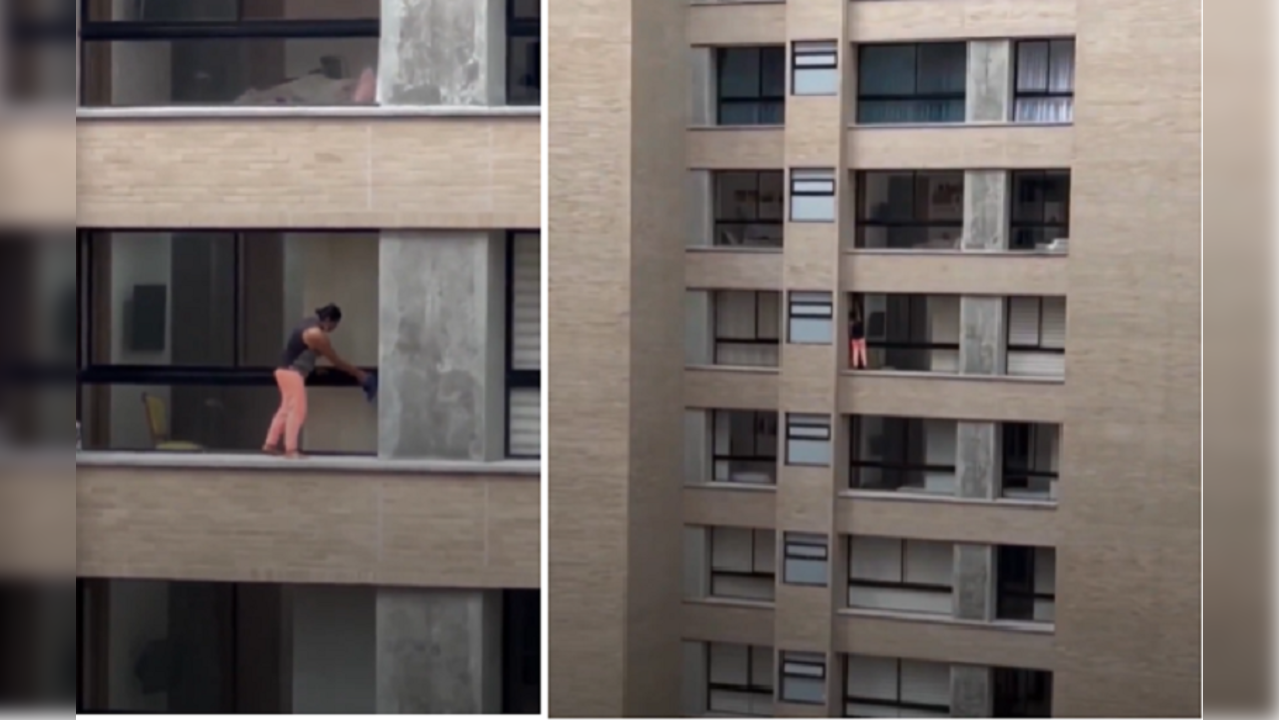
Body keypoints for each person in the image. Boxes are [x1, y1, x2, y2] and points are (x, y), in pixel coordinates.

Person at [263, 304, 367, 458]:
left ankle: (270, 444)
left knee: (285, 409)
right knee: (298, 410)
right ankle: (291, 450)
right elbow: (334, 359)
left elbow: (308, 351)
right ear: (329, 320)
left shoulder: (307, 323)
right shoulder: (316, 334)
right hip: (293, 373)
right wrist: (358, 373)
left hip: (284, 371)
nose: (333, 329)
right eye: (334, 325)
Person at [849, 302, 868, 370]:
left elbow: (851, 332)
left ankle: (855, 365)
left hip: (855, 339)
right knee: (863, 352)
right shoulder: (859, 322)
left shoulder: (851, 324)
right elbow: (859, 315)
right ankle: (864, 364)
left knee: (855, 352)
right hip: (861, 338)